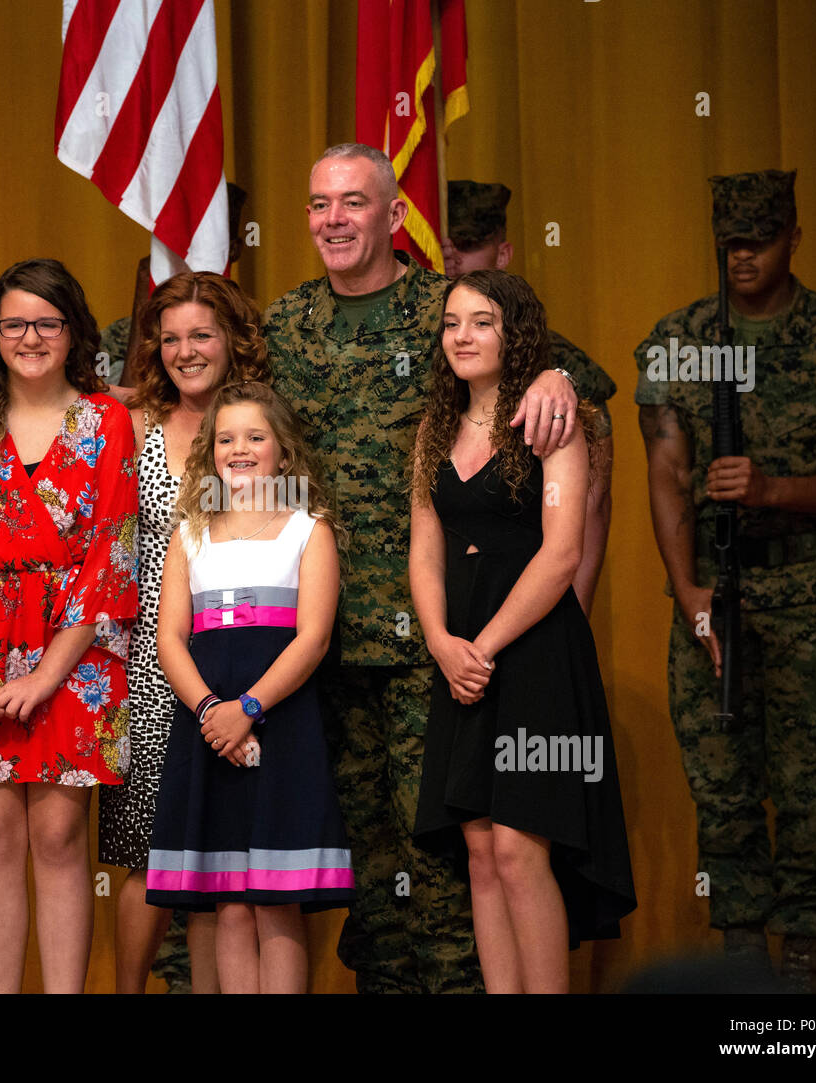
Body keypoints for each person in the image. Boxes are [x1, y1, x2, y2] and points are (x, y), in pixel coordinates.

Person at [262, 142, 579, 993]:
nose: (334, 219)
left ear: (395, 216)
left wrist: (554, 373)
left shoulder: (446, 307)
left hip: (435, 641)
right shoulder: (284, 324)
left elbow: (561, 367)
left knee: (443, 853)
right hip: (317, 636)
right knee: (363, 862)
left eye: (354, 203)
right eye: (320, 204)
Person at [634, 170, 816, 991]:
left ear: (794, 237)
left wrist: (775, 490)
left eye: (761, 240)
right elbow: (667, 478)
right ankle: (743, 970)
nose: (743, 256)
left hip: (809, 598)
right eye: (731, 243)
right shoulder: (678, 341)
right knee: (724, 792)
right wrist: (690, 596)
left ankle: (804, 977)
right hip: (715, 598)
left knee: (810, 796)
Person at [0, 258, 138, 994]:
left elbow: (112, 555)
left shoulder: (106, 420)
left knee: (58, 834)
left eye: (48, 321)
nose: (31, 336)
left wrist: (45, 677)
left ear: (73, 333)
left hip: (74, 657)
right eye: (15, 322)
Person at [410, 270, 636, 993]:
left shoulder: (553, 420)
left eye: (482, 322)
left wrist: (485, 645)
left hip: (534, 648)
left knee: (516, 847)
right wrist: (443, 641)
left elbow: (563, 551)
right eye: (452, 323)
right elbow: (424, 547)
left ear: (517, 333)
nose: (464, 336)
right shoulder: (433, 427)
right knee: (479, 848)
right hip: (460, 653)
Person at [146, 381, 354, 993]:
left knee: (273, 900)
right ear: (209, 450)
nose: (239, 449)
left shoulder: (308, 529)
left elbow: (312, 638)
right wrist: (214, 711)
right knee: (228, 902)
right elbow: (168, 638)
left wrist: (251, 708)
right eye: (226, 438)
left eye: (255, 438)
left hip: (280, 726)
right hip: (206, 731)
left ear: (283, 451)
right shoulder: (190, 534)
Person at [97, 271, 271, 994]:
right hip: (149, 659)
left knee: (229, 854)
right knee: (152, 848)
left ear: (233, 339)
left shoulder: (265, 423)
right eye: (168, 338)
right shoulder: (129, 422)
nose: (184, 351)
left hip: (248, 654)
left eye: (201, 335)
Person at [442, 180, 616, 614]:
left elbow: (592, 502)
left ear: (502, 254)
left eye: (468, 244)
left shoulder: (558, 360)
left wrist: (573, 613)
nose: (452, 258)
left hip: (528, 606)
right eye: (443, 244)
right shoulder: (419, 345)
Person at [100, 183, 249, 387]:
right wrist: (144, 302)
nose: (186, 258)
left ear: (234, 250)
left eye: (201, 246)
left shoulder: (258, 329)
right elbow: (128, 410)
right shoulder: (119, 334)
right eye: (176, 246)